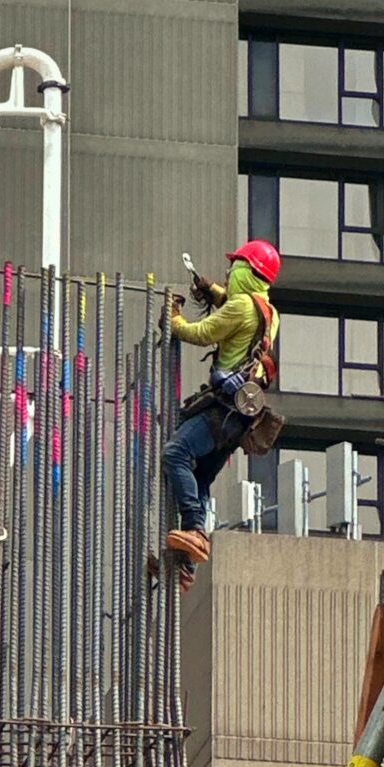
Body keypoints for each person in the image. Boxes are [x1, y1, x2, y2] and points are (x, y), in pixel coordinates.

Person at [162, 240, 283, 574]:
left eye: (236, 267)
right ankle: (187, 562)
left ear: (247, 272)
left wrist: (172, 317)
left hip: (224, 409)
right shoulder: (269, 313)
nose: (230, 272)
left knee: (175, 453)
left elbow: (198, 332)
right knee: (199, 475)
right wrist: (211, 290)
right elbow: (238, 309)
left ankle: (194, 531)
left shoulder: (240, 306)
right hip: (242, 417)